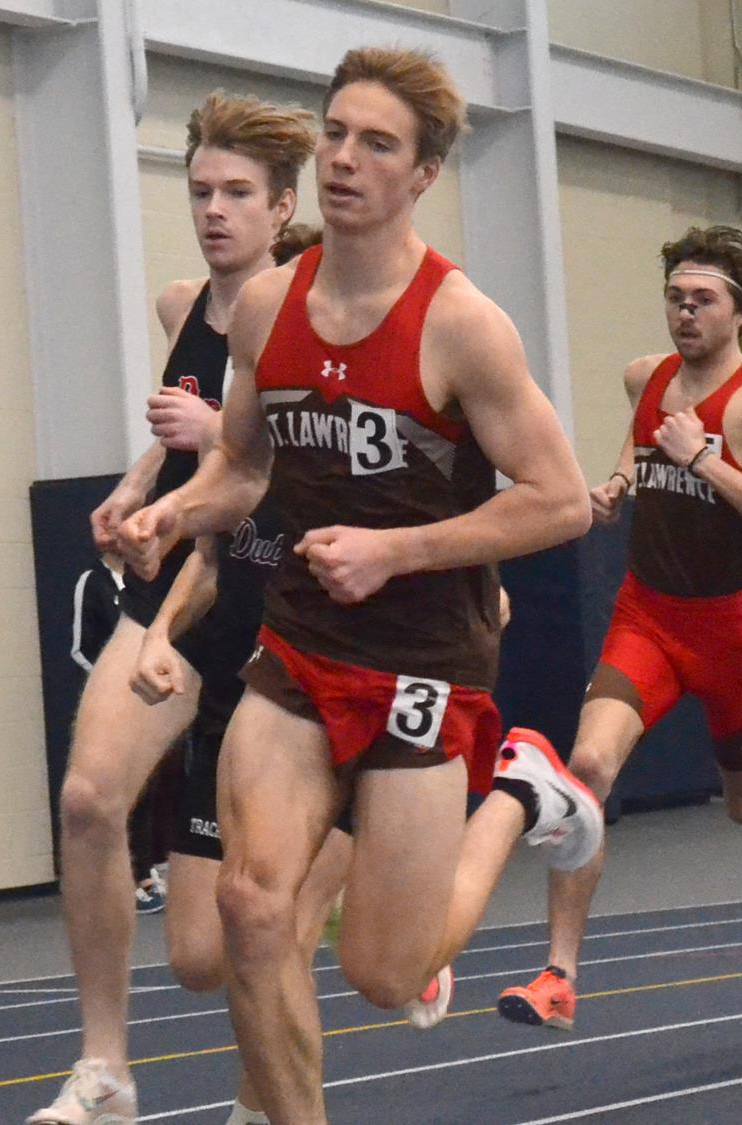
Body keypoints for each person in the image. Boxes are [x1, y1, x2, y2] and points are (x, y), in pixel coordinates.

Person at [117, 46, 601, 1123]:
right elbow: (242, 467)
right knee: (249, 906)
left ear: (421, 174)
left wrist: (397, 551)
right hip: (299, 649)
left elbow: (559, 500)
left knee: (385, 973)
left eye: (375, 143)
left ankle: (519, 795)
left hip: (425, 662)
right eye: (335, 132)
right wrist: (170, 511)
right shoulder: (265, 308)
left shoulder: (458, 323)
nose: (342, 158)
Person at [498, 226, 742, 1034]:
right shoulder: (647, 377)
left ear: (739, 310)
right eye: (675, 296)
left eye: (702, 298)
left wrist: (707, 459)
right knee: (587, 767)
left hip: (734, 628)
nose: (684, 311)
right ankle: (559, 973)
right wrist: (616, 484)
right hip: (648, 614)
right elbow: (644, 456)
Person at [31, 91, 319, 1125]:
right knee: (87, 796)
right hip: (182, 591)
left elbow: (293, 467)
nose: (212, 210)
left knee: (214, 946)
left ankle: (269, 1087)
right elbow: (184, 429)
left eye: (236, 193)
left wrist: (214, 435)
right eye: (198, 190)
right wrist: (135, 481)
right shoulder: (180, 305)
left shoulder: (309, 315)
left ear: (281, 207)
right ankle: (103, 1066)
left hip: (277, 614)